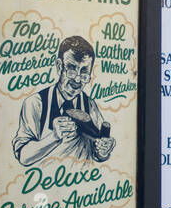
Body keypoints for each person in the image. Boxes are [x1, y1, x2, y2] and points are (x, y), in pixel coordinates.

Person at [12, 35, 115, 164]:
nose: (77, 79)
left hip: (82, 180)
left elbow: (98, 153)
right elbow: (23, 157)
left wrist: (103, 151)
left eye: (84, 72)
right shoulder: (36, 103)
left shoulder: (89, 104)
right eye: (71, 70)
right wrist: (54, 137)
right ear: (59, 66)